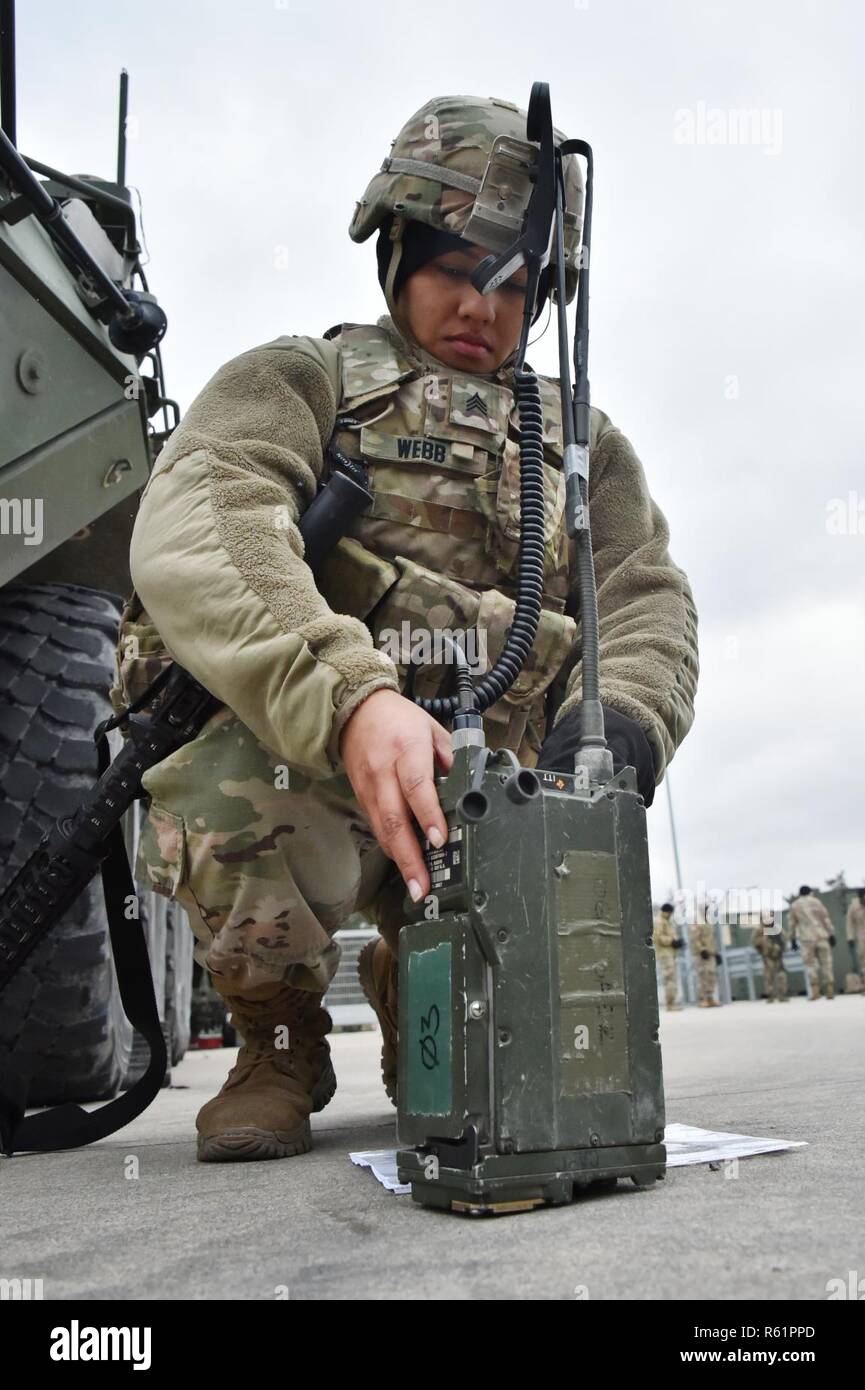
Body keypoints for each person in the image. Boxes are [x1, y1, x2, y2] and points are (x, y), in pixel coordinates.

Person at [114, 94, 699, 1162]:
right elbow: (205, 517)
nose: (483, 305)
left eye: (514, 284)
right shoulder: (303, 380)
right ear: (393, 252)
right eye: (454, 269)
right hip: (315, 766)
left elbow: (641, 592)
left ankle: (418, 986)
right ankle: (277, 1041)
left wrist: (615, 722)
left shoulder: (581, 445)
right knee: (232, 792)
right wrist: (349, 698)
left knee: (532, 1086)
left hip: (498, 788)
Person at [788, 886, 835, 1000]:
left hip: (806, 939)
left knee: (810, 965)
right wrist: (831, 934)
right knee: (826, 963)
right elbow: (825, 919)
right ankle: (829, 989)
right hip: (821, 936)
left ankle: (815, 991)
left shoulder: (795, 905)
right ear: (810, 892)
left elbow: (792, 923)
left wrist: (792, 939)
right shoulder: (817, 902)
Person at [653, 904, 684, 1011]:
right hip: (664, 954)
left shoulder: (667, 921)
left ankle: (672, 1002)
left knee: (672, 978)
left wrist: (677, 942)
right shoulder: (659, 921)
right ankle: (670, 1004)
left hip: (670, 953)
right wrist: (672, 942)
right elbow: (658, 937)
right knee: (669, 978)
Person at [752, 912, 789, 1002]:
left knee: (781, 975)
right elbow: (755, 942)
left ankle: (782, 994)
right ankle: (770, 995)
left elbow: (784, 939)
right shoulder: (759, 930)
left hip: (778, 955)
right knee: (769, 976)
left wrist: (781, 948)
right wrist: (764, 943)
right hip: (767, 956)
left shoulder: (777, 928)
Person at [690, 919, 722, 1007]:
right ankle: (703, 999)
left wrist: (716, 953)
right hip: (701, 954)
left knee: (711, 975)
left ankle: (710, 998)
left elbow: (711, 939)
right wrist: (702, 950)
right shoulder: (697, 922)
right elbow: (695, 938)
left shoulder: (710, 923)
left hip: (711, 953)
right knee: (703, 976)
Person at [845, 888, 865, 992]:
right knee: (863, 960)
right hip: (861, 935)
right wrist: (850, 937)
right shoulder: (853, 906)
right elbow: (849, 923)